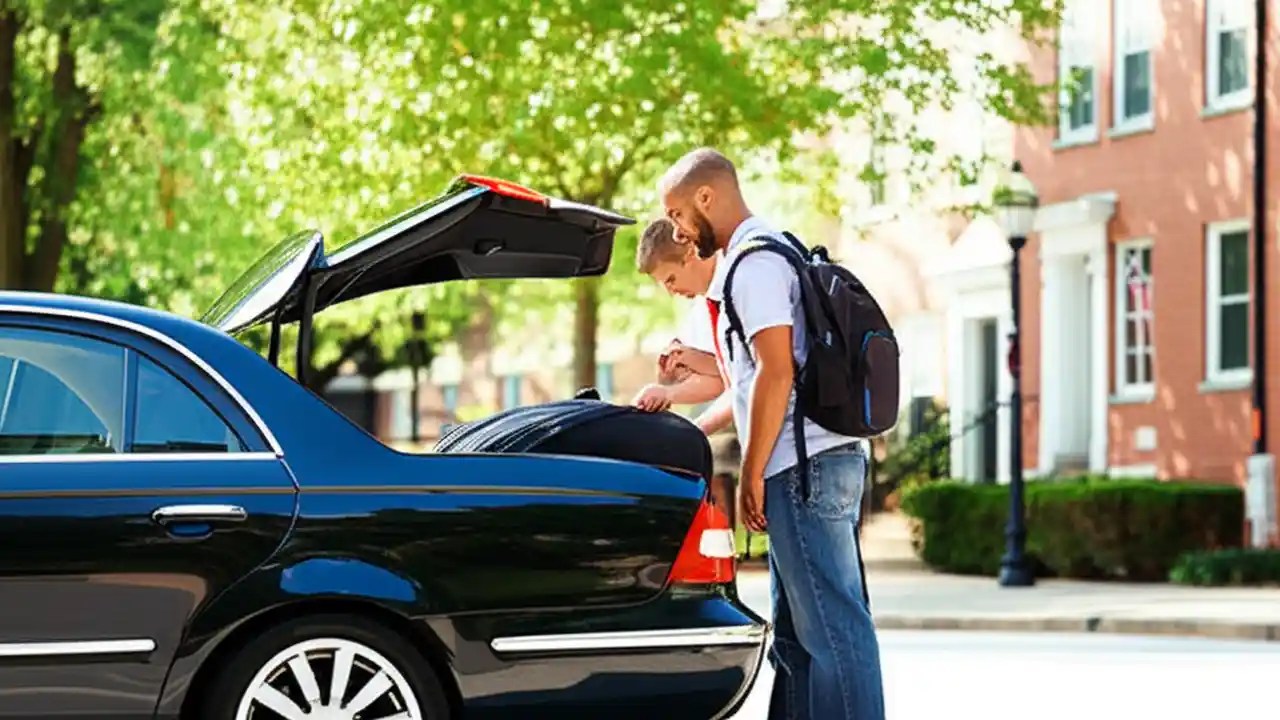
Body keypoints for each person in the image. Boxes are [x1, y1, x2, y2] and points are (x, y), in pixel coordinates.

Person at [656, 147, 885, 720]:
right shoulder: (770, 250)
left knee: (833, 633)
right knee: (797, 640)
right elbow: (747, 377)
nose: (680, 231)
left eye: (681, 214)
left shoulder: (751, 264)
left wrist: (752, 470)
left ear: (706, 198)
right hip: (811, 462)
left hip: (801, 466)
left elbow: (775, 370)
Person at [631, 217, 725, 423]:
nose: (672, 292)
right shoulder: (702, 306)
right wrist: (667, 390)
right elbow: (721, 378)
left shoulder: (736, 282)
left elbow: (747, 378)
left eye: (671, 279)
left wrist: (696, 433)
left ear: (690, 251)